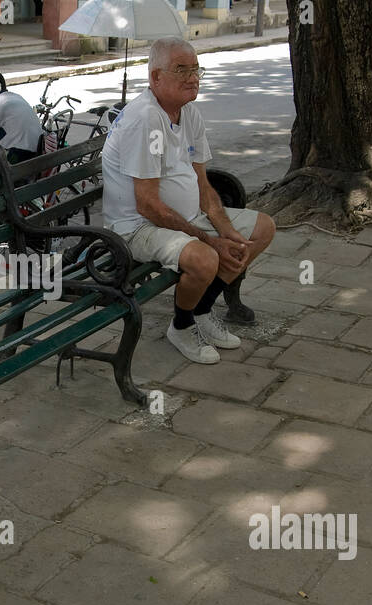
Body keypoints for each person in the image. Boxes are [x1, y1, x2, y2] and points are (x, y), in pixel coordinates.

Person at [101, 38, 276, 364]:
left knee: (261, 229)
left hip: (183, 217)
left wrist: (227, 231)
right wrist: (210, 240)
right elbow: (148, 205)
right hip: (135, 228)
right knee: (206, 258)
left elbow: (203, 185)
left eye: (196, 69)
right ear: (155, 77)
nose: (192, 77)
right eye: (181, 69)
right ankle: (181, 326)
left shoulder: (188, 113)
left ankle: (201, 312)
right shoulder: (146, 119)